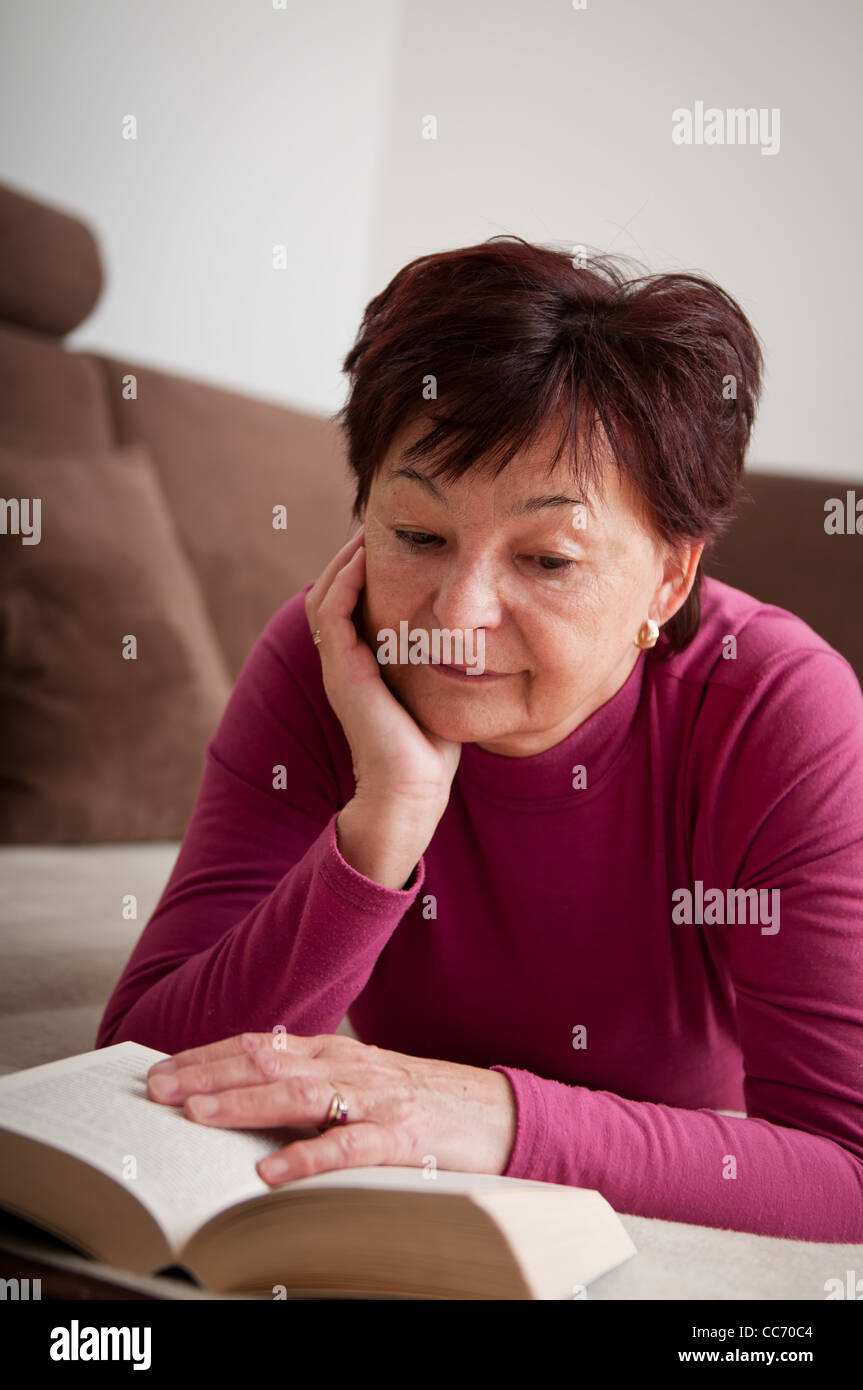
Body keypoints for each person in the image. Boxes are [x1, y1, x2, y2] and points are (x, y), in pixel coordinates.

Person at [96, 237, 863, 1240]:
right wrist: (382, 825)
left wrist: (496, 1114)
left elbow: (843, 1170)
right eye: (416, 535)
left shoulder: (775, 708)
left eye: (545, 557)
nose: (454, 614)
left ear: (668, 580)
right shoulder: (327, 659)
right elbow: (139, 1063)